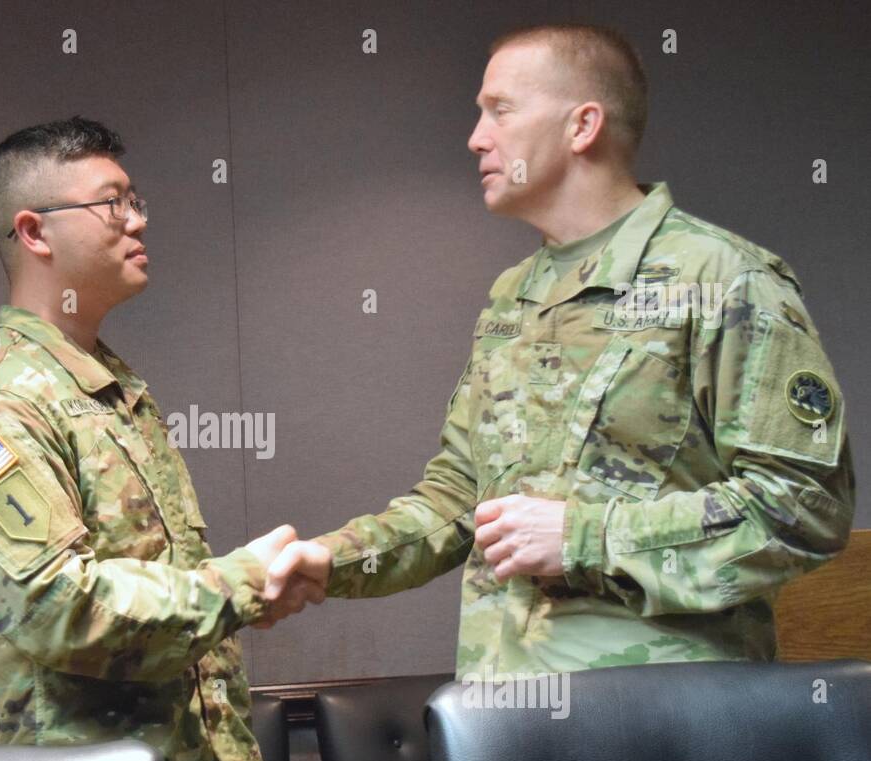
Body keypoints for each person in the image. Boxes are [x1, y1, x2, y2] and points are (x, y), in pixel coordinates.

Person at [268, 24, 854, 677]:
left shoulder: (723, 279)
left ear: (582, 127)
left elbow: (805, 506)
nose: (476, 137)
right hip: (508, 713)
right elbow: (461, 499)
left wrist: (583, 535)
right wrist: (333, 561)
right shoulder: (514, 294)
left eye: (500, 110)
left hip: (666, 728)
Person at [0, 117, 321, 761]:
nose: (137, 220)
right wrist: (243, 583)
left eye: (136, 201)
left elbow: (152, 576)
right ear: (34, 232)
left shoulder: (106, 386)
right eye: (112, 203)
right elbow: (57, 607)